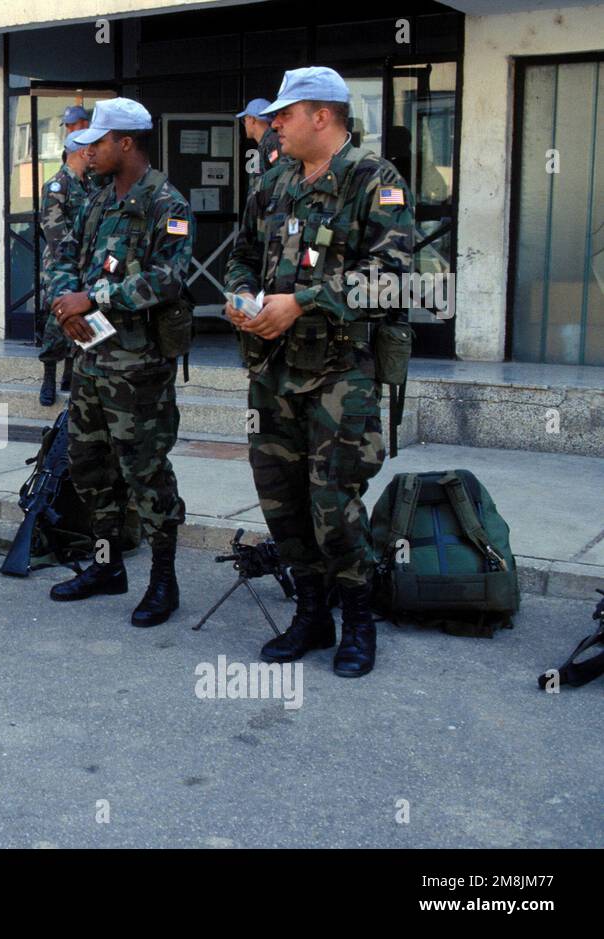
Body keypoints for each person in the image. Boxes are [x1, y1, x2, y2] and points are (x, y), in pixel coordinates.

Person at [223, 66, 415, 678]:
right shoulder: (275, 182)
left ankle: (357, 621)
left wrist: (301, 302)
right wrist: (242, 295)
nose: (273, 123)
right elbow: (243, 253)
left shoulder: (372, 179)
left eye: (285, 113)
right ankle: (311, 614)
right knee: (281, 502)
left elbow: (391, 276)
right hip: (272, 373)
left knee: (335, 505)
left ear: (322, 116)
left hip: (339, 376)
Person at [46, 98, 195, 628]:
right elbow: (64, 258)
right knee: (89, 468)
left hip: (140, 368)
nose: (88, 152)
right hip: (91, 360)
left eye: (98, 143)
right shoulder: (97, 201)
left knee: (146, 471)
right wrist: (66, 305)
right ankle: (107, 567)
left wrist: (96, 297)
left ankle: (163, 580)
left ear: (125, 143)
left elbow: (169, 278)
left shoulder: (166, 203)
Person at [37, 129, 93, 406]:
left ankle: (70, 374)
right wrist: (77, 257)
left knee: (81, 318)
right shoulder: (58, 185)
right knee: (56, 320)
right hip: (61, 266)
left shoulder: (90, 184)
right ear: (82, 151)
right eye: (91, 148)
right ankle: (49, 376)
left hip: (86, 266)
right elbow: (53, 230)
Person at [237, 97, 284, 178]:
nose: (244, 125)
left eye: (244, 120)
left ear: (252, 120)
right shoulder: (267, 142)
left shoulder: (272, 142)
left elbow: (283, 175)